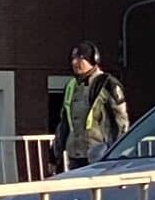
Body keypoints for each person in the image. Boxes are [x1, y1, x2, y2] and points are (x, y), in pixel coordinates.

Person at [53, 41, 129, 169]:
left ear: (93, 59)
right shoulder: (71, 86)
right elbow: (64, 123)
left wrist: (119, 151)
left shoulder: (108, 83)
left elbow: (121, 120)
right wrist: (55, 154)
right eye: (73, 59)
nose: (74, 63)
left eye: (79, 59)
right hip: (75, 155)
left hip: (100, 154)